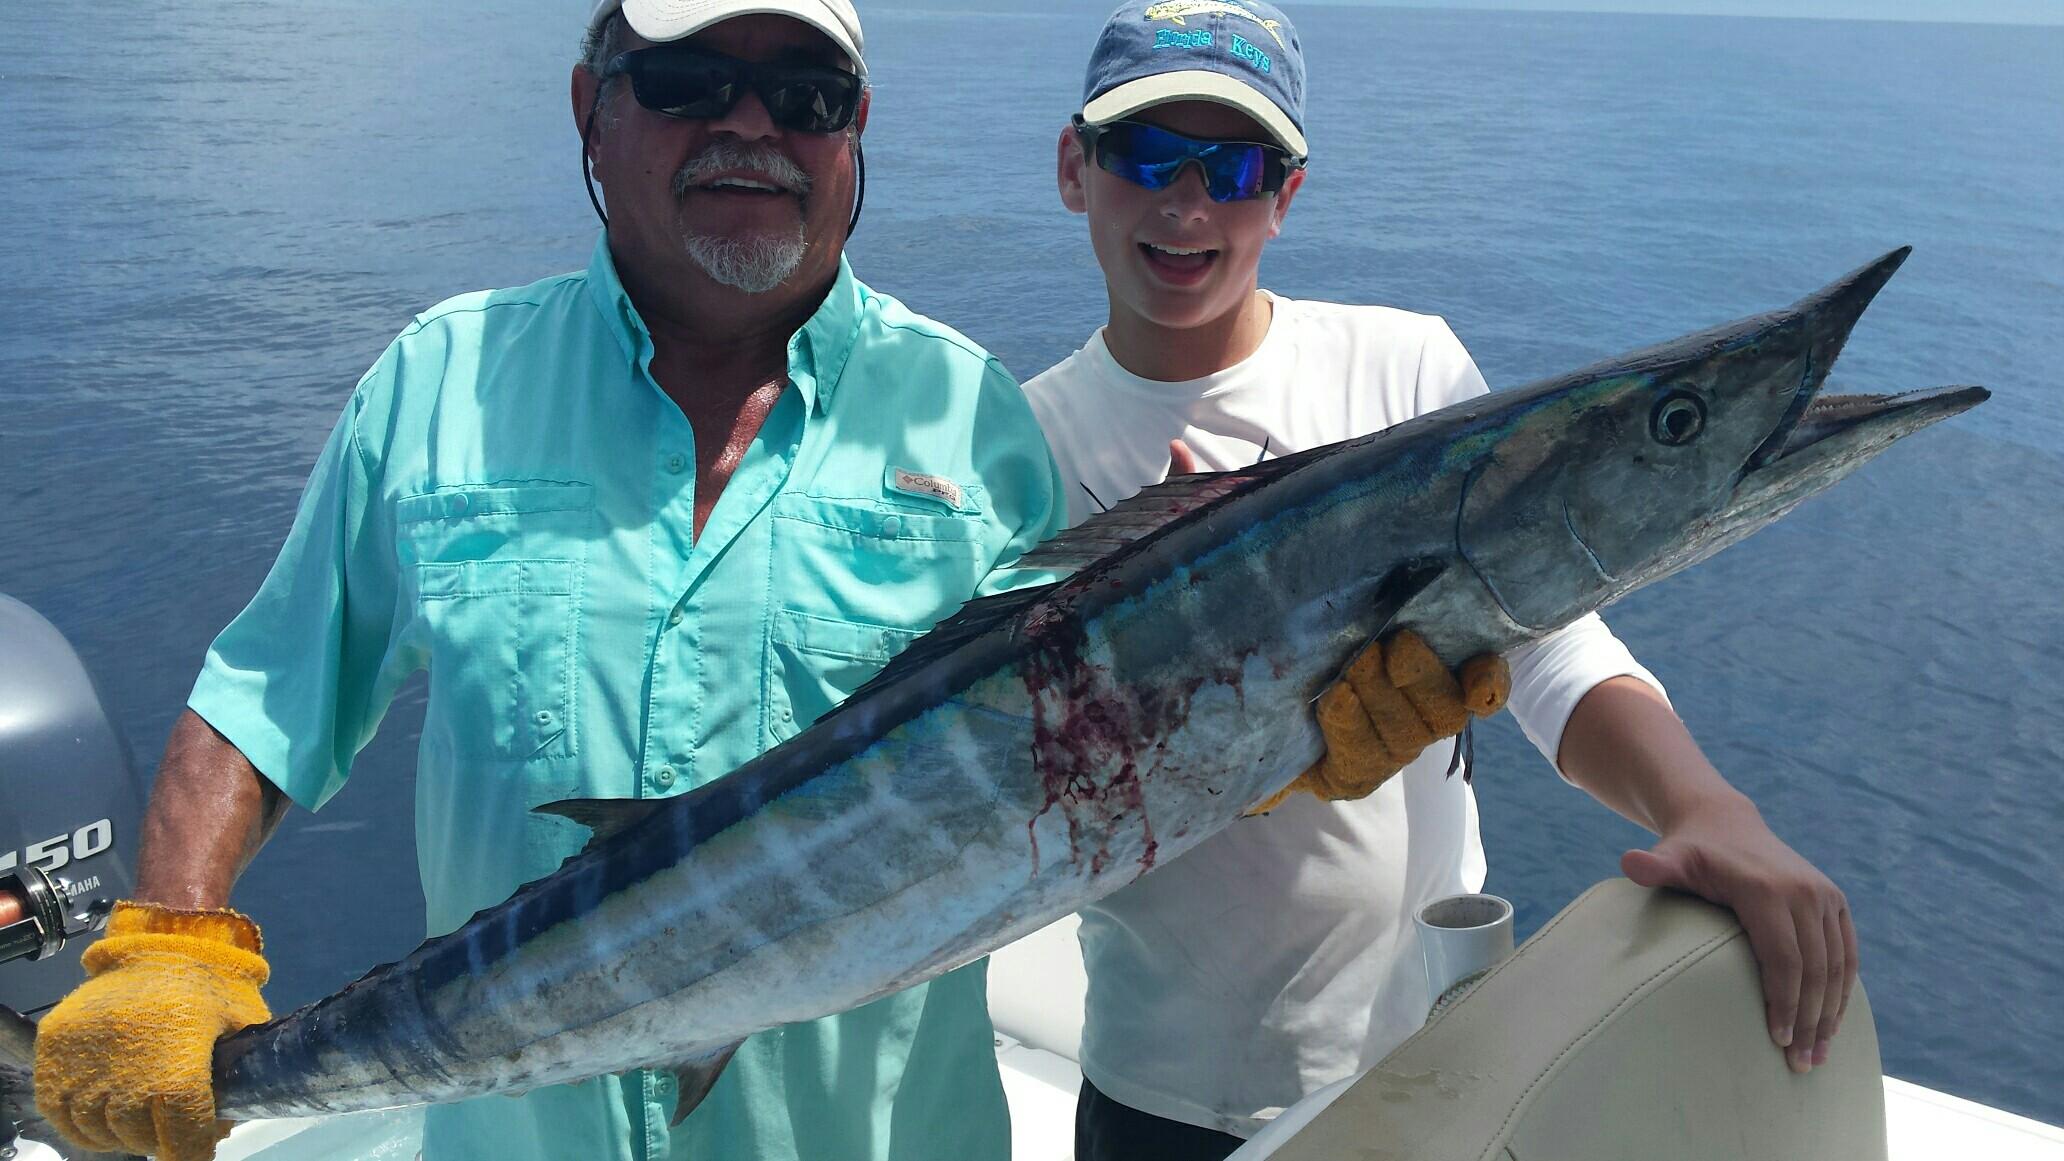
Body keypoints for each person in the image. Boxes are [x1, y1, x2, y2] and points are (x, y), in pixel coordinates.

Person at [33, 2, 1075, 1159]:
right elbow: (269, 697)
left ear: (855, 131)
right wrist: (170, 944)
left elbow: (1078, 752)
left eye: (804, 95)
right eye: (687, 82)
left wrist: (1275, 709)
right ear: (591, 109)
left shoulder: (974, 418)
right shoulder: (444, 381)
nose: (750, 124)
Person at [1022, 3, 1861, 1157]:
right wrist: (1226, 732)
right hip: (1163, 1098)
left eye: (1238, 165)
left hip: (1441, 1045)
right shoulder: (1023, 450)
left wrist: (1707, 807)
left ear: (1289, 192)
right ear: (1076, 167)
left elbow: (1547, 643)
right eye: (1146, 152)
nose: (1188, 201)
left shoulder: (1405, 367)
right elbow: (1035, 793)